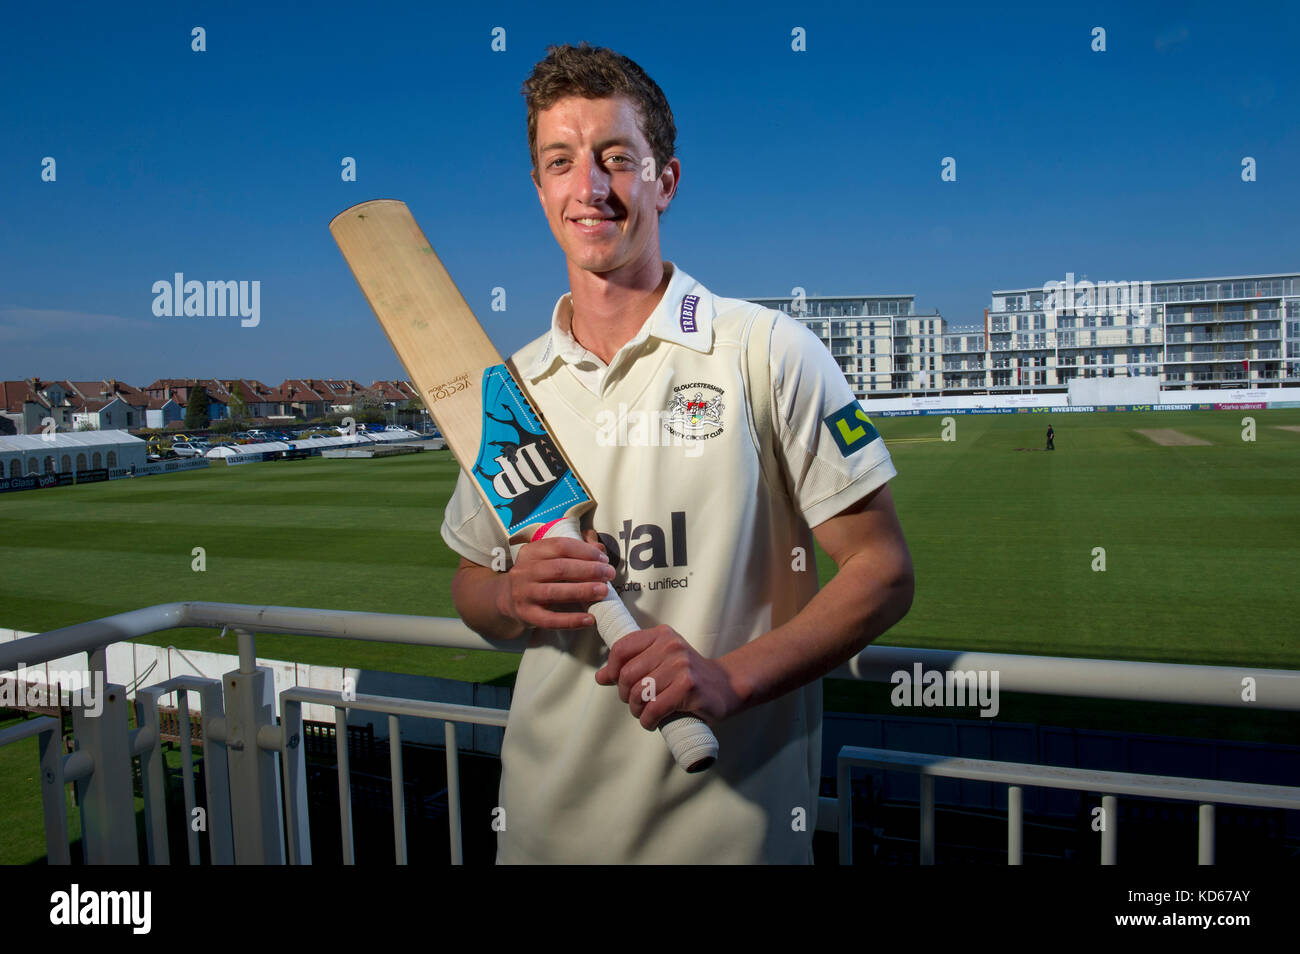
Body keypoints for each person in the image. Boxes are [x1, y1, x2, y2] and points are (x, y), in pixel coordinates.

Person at [440, 42, 914, 863]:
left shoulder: (767, 351)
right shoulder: (507, 390)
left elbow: (882, 572)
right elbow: (471, 586)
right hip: (540, 837)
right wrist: (511, 596)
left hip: (731, 840)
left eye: (616, 159)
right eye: (562, 162)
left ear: (666, 181)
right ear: (540, 189)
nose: (589, 187)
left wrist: (730, 679)